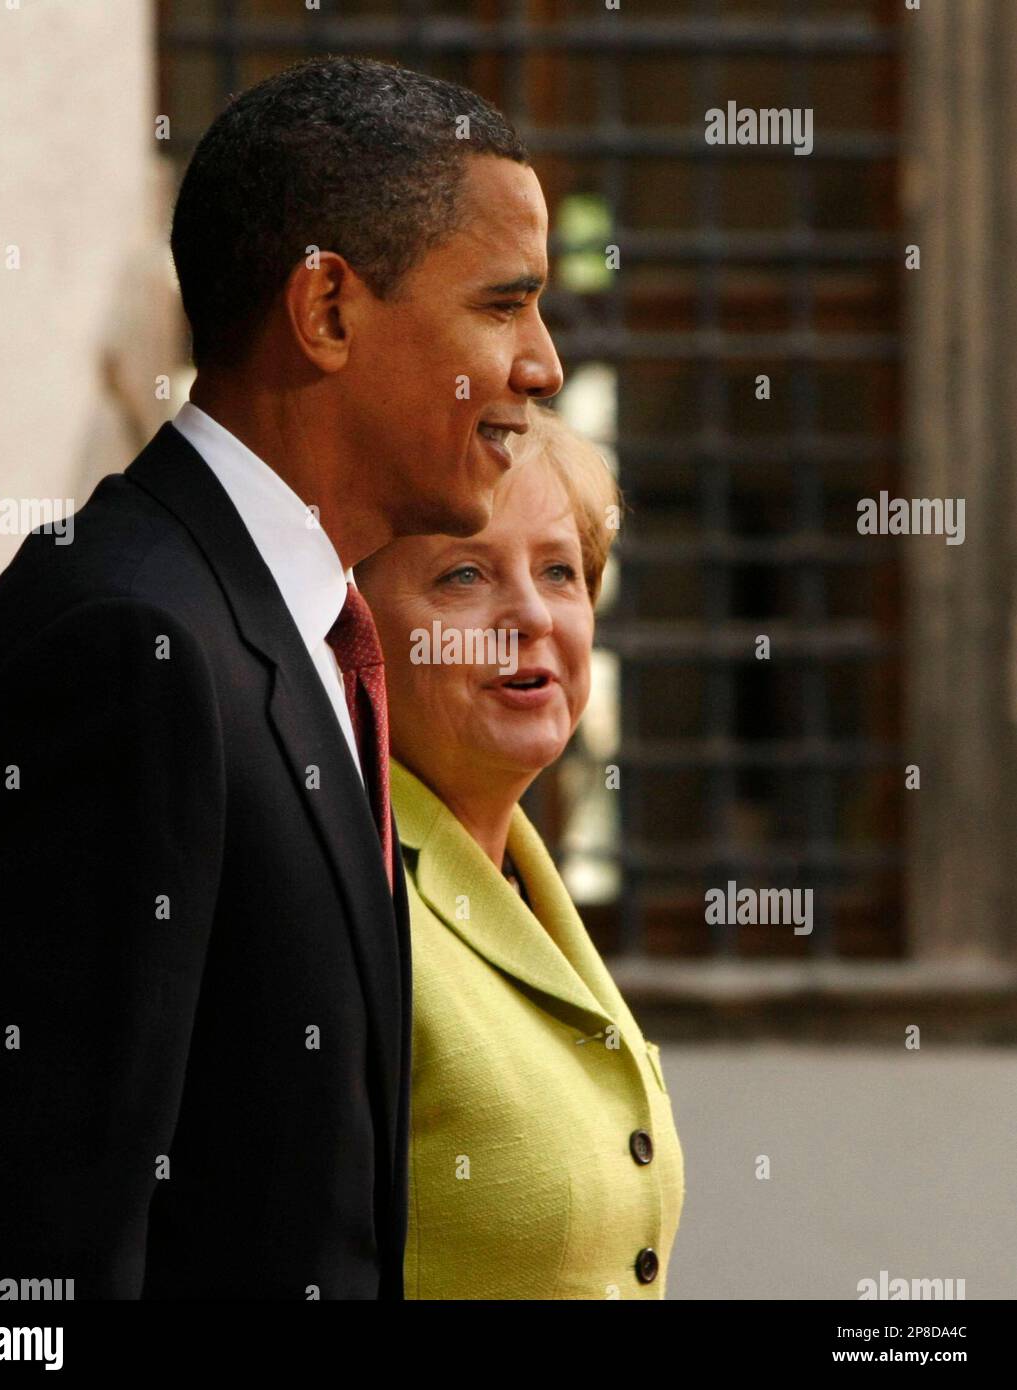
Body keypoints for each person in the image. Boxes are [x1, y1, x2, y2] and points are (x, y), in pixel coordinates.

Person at [0, 56, 562, 1300]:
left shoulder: (285, 624)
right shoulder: (130, 647)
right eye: (503, 304)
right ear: (325, 310)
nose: (542, 364)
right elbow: (27, 1259)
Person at [356, 403, 684, 1299]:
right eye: (464, 576)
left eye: (561, 572)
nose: (530, 615)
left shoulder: (524, 875)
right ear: (355, 629)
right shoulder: (347, 886)